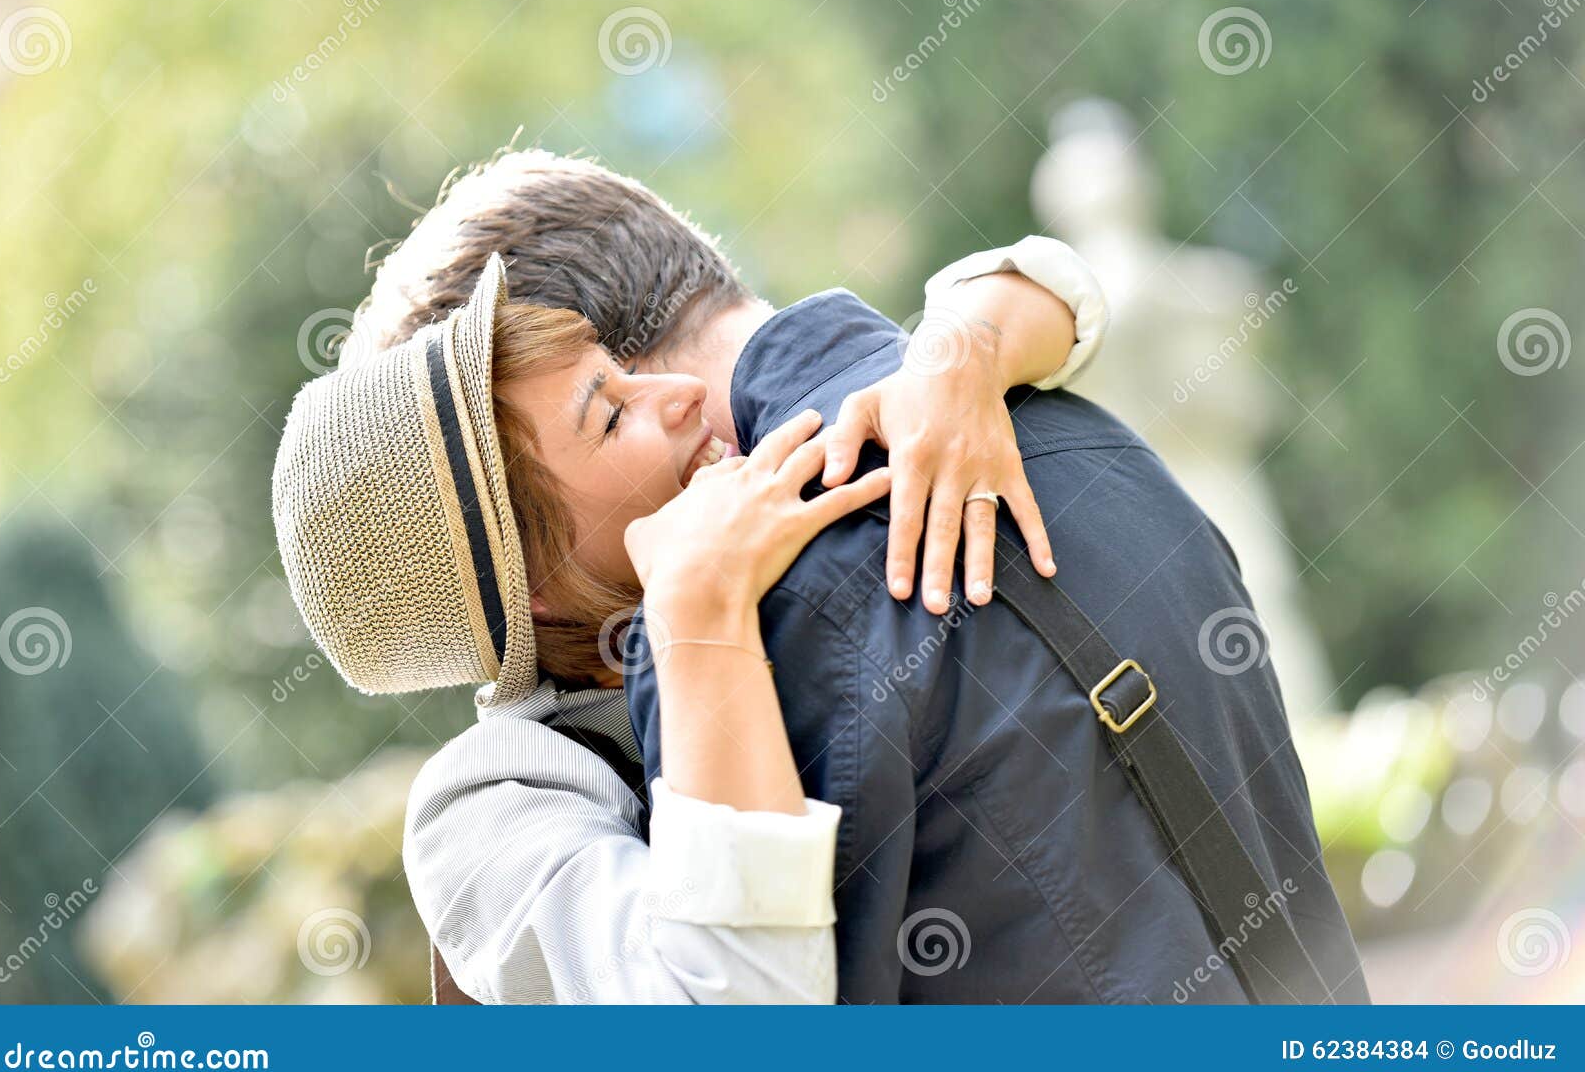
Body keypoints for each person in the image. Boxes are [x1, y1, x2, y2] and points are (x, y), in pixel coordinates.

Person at [351, 150, 1368, 1004]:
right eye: (605, 409)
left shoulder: (734, 638)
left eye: (606, 388)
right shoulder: (1084, 437)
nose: (653, 402)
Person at [280, 148, 1107, 1002]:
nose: (676, 391)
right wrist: (696, 615)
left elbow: (1051, 289)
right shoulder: (492, 804)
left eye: (621, 371)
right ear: (526, 578)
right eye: (609, 414)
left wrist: (958, 353)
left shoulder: (775, 526)